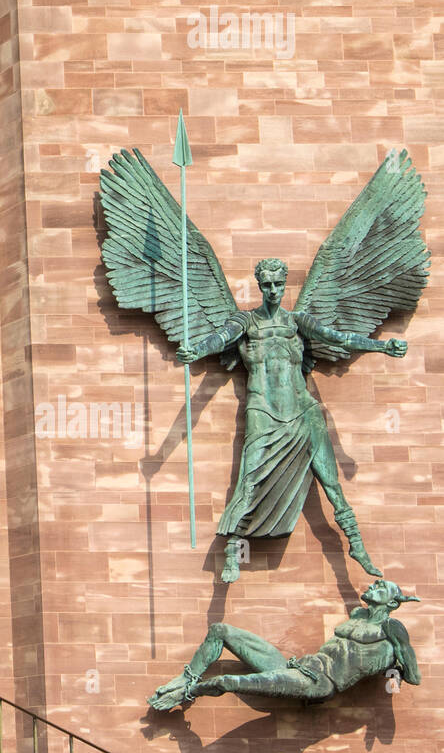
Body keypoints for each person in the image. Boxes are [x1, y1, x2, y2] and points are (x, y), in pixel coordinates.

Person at [176, 258, 405, 582]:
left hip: (302, 409)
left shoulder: (297, 322)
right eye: (267, 285)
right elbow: (220, 339)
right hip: (262, 410)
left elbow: (340, 338)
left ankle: (357, 546)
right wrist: (196, 351)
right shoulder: (247, 322)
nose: (273, 291)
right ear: (259, 286)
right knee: (248, 479)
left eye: (278, 285)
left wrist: (381, 346)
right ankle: (231, 552)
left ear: (285, 285)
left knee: (332, 483)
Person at [149, 579, 421, 709]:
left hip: (318, 683)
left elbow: (414, 676)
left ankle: (188, 693)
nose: (374, 586)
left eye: (381, 587)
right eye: (375, 583)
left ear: (393, 603)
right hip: (296, 667)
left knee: (227, 682)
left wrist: (391, 666)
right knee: (220, 630)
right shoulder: (358, 615)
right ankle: (185, 679)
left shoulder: (392, 628)